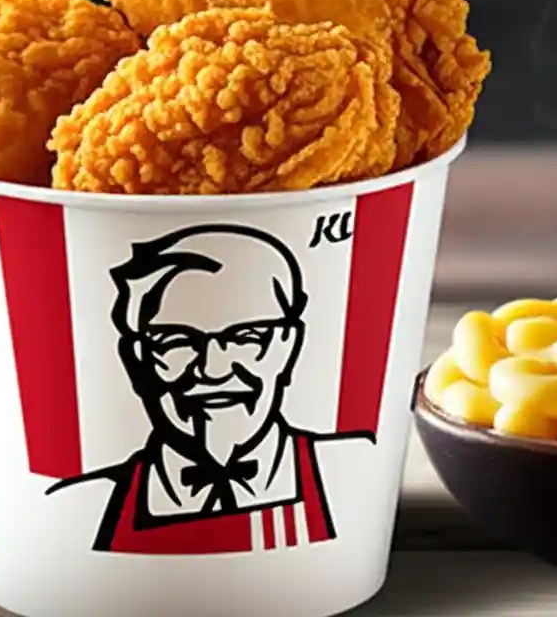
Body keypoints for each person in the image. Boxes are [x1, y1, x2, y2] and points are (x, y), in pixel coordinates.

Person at [48, 225, 372, 553]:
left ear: (288, 347)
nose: (213, 369)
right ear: (137, 361)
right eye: (177, 342)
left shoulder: (353, 471)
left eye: (247, 338)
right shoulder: (80, 505)